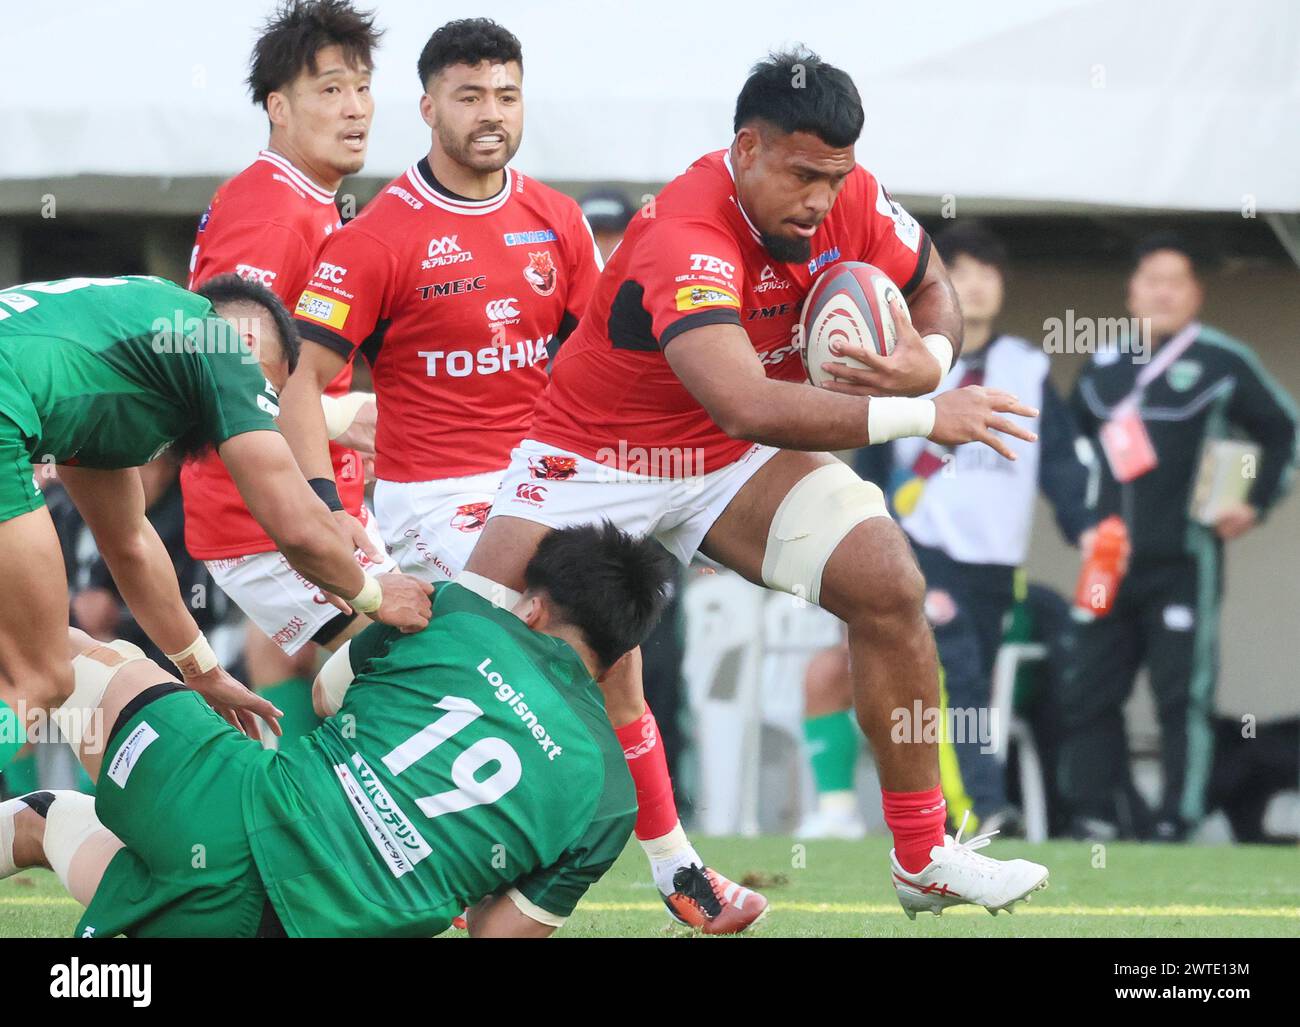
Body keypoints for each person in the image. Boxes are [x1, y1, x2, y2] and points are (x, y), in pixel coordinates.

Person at [461, 49, 1050, 920]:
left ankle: (924, 854)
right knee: (465, 655)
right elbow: (741, 401)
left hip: (723, 463)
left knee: (888, 582)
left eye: (833, 178)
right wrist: (927, 415)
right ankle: (376, 832)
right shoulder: (687, 229)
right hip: (597, 459)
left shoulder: (846, 193)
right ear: (747, 149)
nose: (819, 200)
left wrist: (924, 363)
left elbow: (932, 289)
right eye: (802, 175)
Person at [278, 18, 762, 933]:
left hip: (552, 478)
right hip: (438, 499)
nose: (490, 114)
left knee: (608, 656)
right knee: (585, 657)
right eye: (468, 96)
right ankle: (671, 868)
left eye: (506, 94)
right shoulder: (380, 234)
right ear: (427, 108)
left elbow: (603, 360)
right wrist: (322, 502)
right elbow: (298, 379)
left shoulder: (557, 218)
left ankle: (365, 690)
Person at [0, 523, 670, 938]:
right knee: (45, 817)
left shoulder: (461, 611)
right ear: (618, 654)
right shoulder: (612, 801)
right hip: (268, 924)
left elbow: (324, 694)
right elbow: (497, 933)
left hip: (227, 814)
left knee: (53, 651)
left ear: (535, 604)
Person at [0, 273, 433, 776]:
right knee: (43, 679)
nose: (261, 415)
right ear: (248, 341)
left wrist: (198, 667)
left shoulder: (115, 368)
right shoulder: (220, 341)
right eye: (268, 394)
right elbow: (295, 526)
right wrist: (375, 595)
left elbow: (130, 544)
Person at [796, 222, 1095, 839]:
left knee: (961, 685)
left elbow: (1061, 464)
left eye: (989, 271)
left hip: (994, 570)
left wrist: (1088, 530)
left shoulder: (1026, 367)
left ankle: (960, 809)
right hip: (918, 553)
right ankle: (972, 813)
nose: (978, 285)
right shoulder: (908, 364)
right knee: (942, 658)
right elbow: (871, 467)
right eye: (961, 271)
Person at [184, 0, 391, 743]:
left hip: (304, 491)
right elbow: (225, 369)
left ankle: (291, 800)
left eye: (363, 87)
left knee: (387, 670)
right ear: (277, 106)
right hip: (263, 510)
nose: (355, 108)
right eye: (330, 89)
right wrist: (341, 416)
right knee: (399, 677)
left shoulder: (303, 200)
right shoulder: (274, 213)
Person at [1059, 232, 1298, 841]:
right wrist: (1082, 526)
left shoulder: (1223, 361)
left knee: (1179, 698)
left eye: (1176, 282)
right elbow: (1069, 456)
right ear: (1132, 291)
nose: (1162, 293)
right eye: (1151, 281)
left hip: (1184, 560)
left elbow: (1283, 431)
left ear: (1195, 293)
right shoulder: (1102, 368)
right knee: (1089, 689)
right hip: (1106, 564)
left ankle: (1176, 819)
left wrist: (1254, 501)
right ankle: (1097, 814)